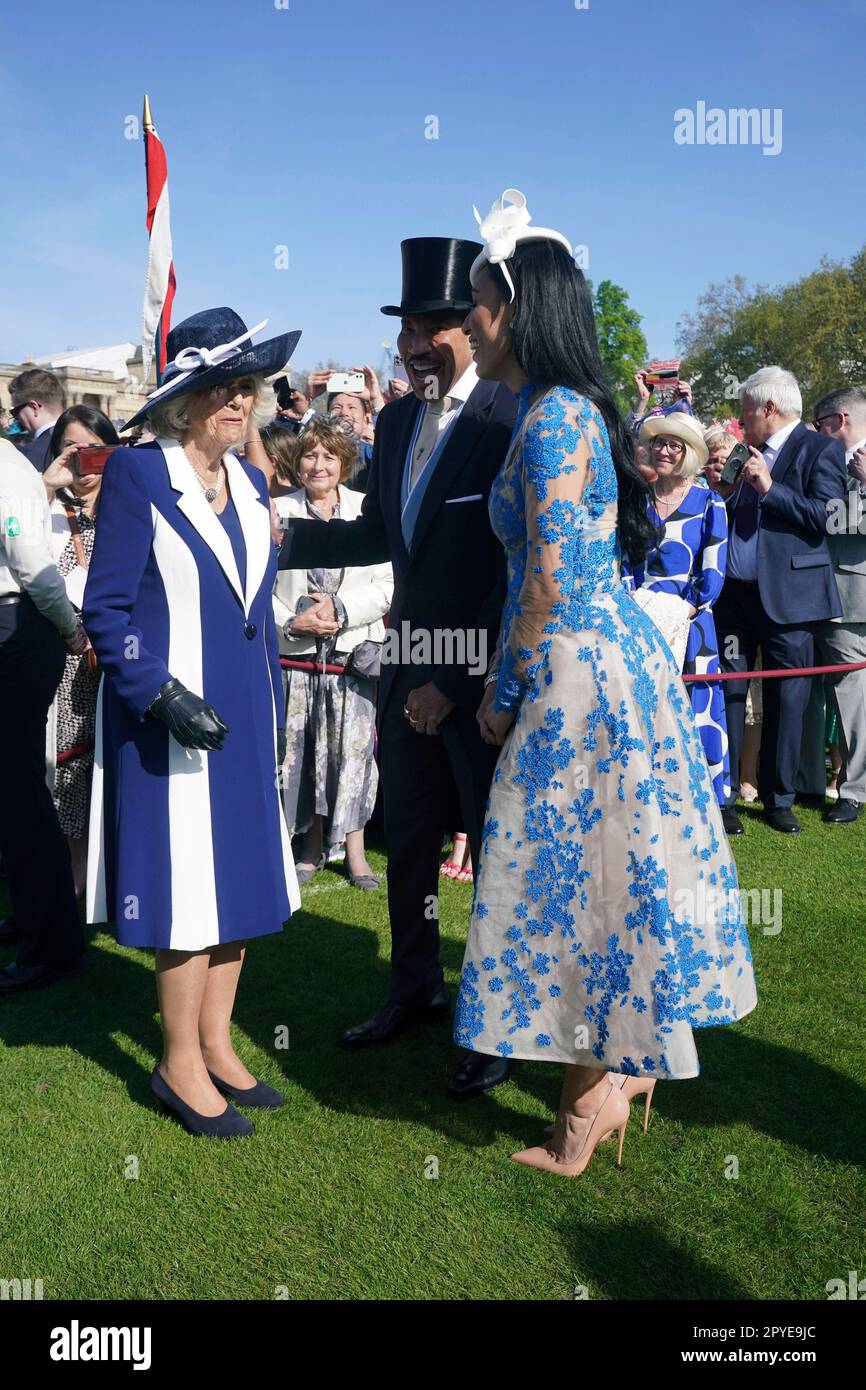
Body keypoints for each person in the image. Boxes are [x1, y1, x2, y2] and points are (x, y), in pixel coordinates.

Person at [455, 188, 757, 1176]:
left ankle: (586, 1106)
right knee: (607, 888)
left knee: (577, 891)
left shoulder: (550, 419)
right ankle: (604, 1087)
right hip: (605, 665)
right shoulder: (570, 409)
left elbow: (542, 578)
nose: (467, 321)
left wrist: (499, 699)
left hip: (573, 678)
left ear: (519, 306)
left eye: (478, 302)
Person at [279, 235, 517, 1100]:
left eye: (434, 327)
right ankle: (412, 989)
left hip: (482, 682)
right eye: (407, 327)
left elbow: (513, 569)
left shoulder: (509, 414)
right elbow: (383, 533)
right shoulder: (397, 419)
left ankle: (500, 1024)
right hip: (404, 668)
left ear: (473, 325)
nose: (416, 344)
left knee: (496, 853)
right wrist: (285, 536)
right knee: (410, 845)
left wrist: (450, 683)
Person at [82, 306, 302, 1139]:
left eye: (245, 388)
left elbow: (252, 606)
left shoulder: (249, 481)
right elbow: (106, 609)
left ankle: (217, 1042)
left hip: (245, 710)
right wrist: (156, 691)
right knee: (186, 894)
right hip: (169, 717)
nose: (237, 403)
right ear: (185, 401)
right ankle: (176, 1063)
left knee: (241, 882)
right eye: (220, 389)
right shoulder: (140, 475)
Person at [715, 367, 848, 835]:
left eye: (747, 408)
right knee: (728, 692)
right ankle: (724, 794)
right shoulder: (739, 452)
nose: (742, 417)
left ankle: (779, 799)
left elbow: (827, 517)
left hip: (790, 600)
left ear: (768, 408)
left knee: (786, 699)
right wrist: (725, 491)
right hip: (732, 596)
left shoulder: (821, 448)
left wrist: (770, 488)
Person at [271, 416, 393, 888]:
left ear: (344, 463)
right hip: (295, 656)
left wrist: (341, 608)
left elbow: (387, 584)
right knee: (300, 752)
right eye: (309, 455)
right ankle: (310, 845)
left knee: (354, 753)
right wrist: (292, 621)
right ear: (295, 461)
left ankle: (356, 853)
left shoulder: (368, 510)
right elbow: (254, 581)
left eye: (328, 456)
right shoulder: (275, 510)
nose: (318, 465)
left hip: (353, 655)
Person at [0, 437, 87, 994]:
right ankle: (38, 922)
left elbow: (32, 561)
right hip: (20, 625)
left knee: (20, 791)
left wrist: (66, 626)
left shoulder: (7, 466)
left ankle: (52, 943)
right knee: (14, 791)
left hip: (17, 629)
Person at [625, 413, 730, 806]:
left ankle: (703, 796)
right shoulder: (638, 499)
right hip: (637, 618)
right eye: (659, 443)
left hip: (691, 622)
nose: (664, 451)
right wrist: (634, 606)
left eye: (674, 445)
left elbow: (715, 568)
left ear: (688, 453)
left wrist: (683, 610)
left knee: (695, 706)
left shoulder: (710, 502)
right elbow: (624, 560)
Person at [42, 406, 120, 896]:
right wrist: (46, 485)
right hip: (63, 660)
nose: (85, 463)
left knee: (114, 764)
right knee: (68, 764)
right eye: (74, 450)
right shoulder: (42, 505)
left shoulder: (127, 506)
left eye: (95, 450)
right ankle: (75, 873)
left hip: (116, 659)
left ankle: (115, 869)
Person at [807, 386, 866, 824]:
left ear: (839, 419)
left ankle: (854, 789)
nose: (815, 429)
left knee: (851, 693)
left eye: (820, 421)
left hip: (853, 593)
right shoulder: (825, 461)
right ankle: (835, 787)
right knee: (838, 694)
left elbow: (838, 523)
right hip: (829, 597)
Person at [8, 368, 65, 473]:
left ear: (34, 407)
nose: (16, 419)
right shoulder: (93, 441)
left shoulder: (26, 456)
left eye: (15, 412)